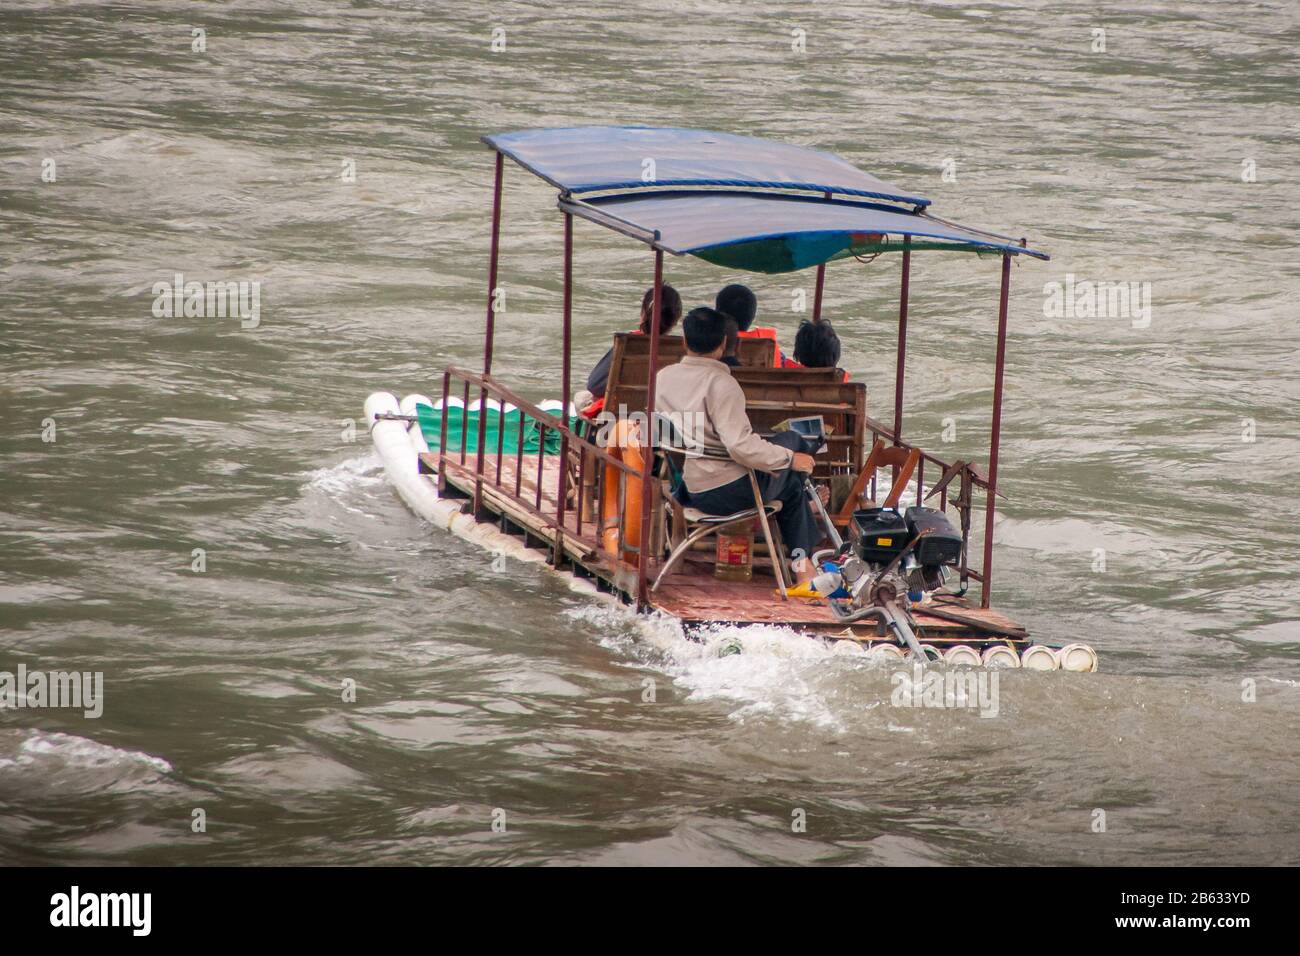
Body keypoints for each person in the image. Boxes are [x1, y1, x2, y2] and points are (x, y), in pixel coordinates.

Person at [655, 307, 821, 584]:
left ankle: (803, 563)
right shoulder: (722, 383)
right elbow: (739, 446)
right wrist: (791, 459)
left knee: (789, 476)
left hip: (690, 488)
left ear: (684, 342)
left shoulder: (663, 378)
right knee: (792, 451)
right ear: (723, 344)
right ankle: (803, 564)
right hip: (731, 493)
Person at [584, 285, 682, 401]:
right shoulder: (680, 348)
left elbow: (594, 386)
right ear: (676, 319)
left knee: (582, 397)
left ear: (643, 314)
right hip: (659, 412)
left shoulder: (628, 343)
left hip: (620, 411)